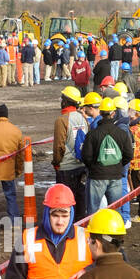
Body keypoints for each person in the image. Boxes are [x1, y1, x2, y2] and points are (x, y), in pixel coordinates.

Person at [80, 96, 134, 218]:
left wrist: (94, 167)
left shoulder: (93, 134)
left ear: (100, 112)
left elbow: (86, 156)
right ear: (114, 113)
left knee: (92, 212)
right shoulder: (121, 133)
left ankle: (93, 235)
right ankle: (115, 235)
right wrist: (118, 165)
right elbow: (129, 155)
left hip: (97, 176)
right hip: (115, 176)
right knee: (115, 211)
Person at [52, 87, 88, 218]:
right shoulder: (82, 118)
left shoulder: (61, 120)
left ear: (66, 101)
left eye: (62, 98)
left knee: (65, 201)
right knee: (80, 200)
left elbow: (59, 146)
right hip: (81, 166)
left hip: (66, 167)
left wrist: (56, 163)